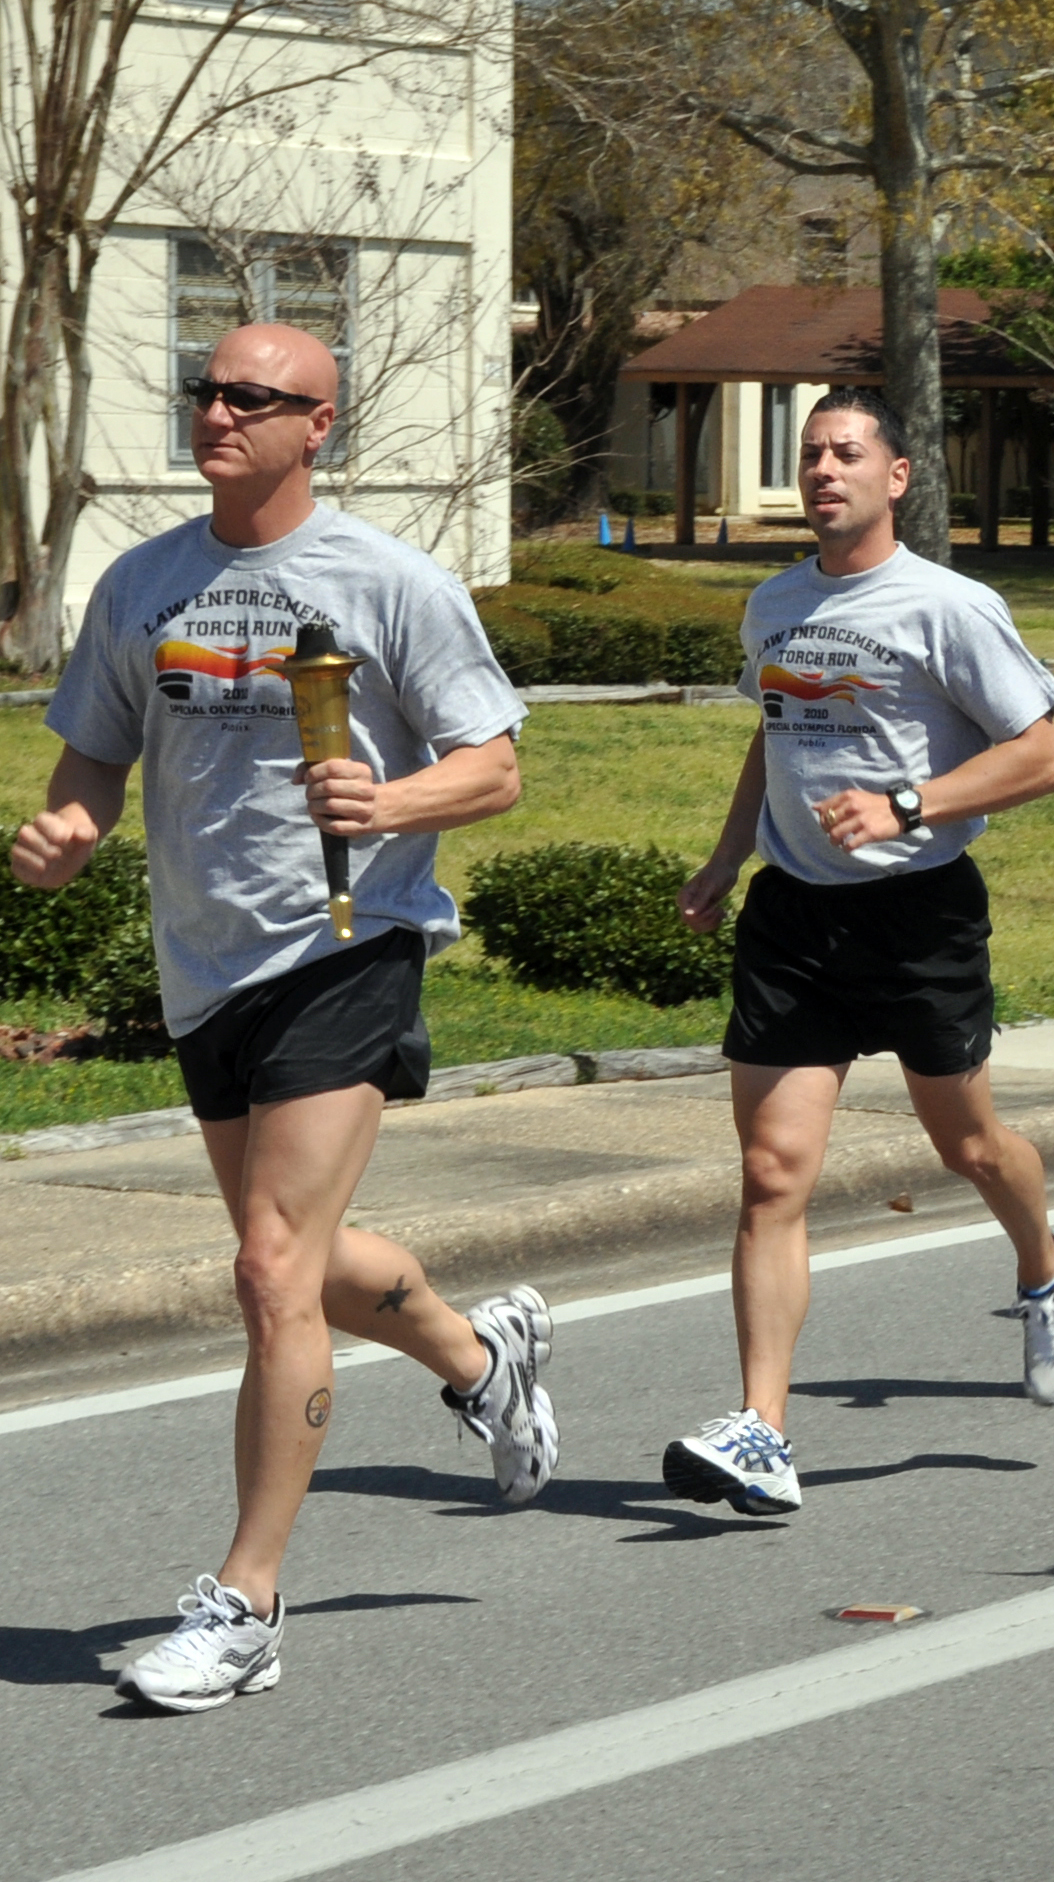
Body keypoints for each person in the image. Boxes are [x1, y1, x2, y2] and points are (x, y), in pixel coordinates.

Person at [13, 324, 554, 1712]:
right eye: (208, 390)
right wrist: (72, 824)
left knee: (267, 1268)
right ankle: (480, 1357)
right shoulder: (143, 581)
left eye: (255, 397)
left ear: (321, 423)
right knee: (297, 1258)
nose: (220, 412)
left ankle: (245, 1599)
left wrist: (393, 803)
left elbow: (491, 767)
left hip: (346, 943)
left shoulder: (388, 581)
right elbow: (100, 750)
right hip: (208, 966)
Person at [667, 386, 1054, 1516]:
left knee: (968, 1144)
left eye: (847, 453)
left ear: (896, 476)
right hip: (795, 915)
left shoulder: (948, 607)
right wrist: (730, 853)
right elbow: (779, 727)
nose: (823, 472)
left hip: (919, 913)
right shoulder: (774, 604)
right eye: (810, 455)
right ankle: (763, 1431)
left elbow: (1040, 755)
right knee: (770, 1175)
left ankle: (1046, 1268)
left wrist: (908, 803)